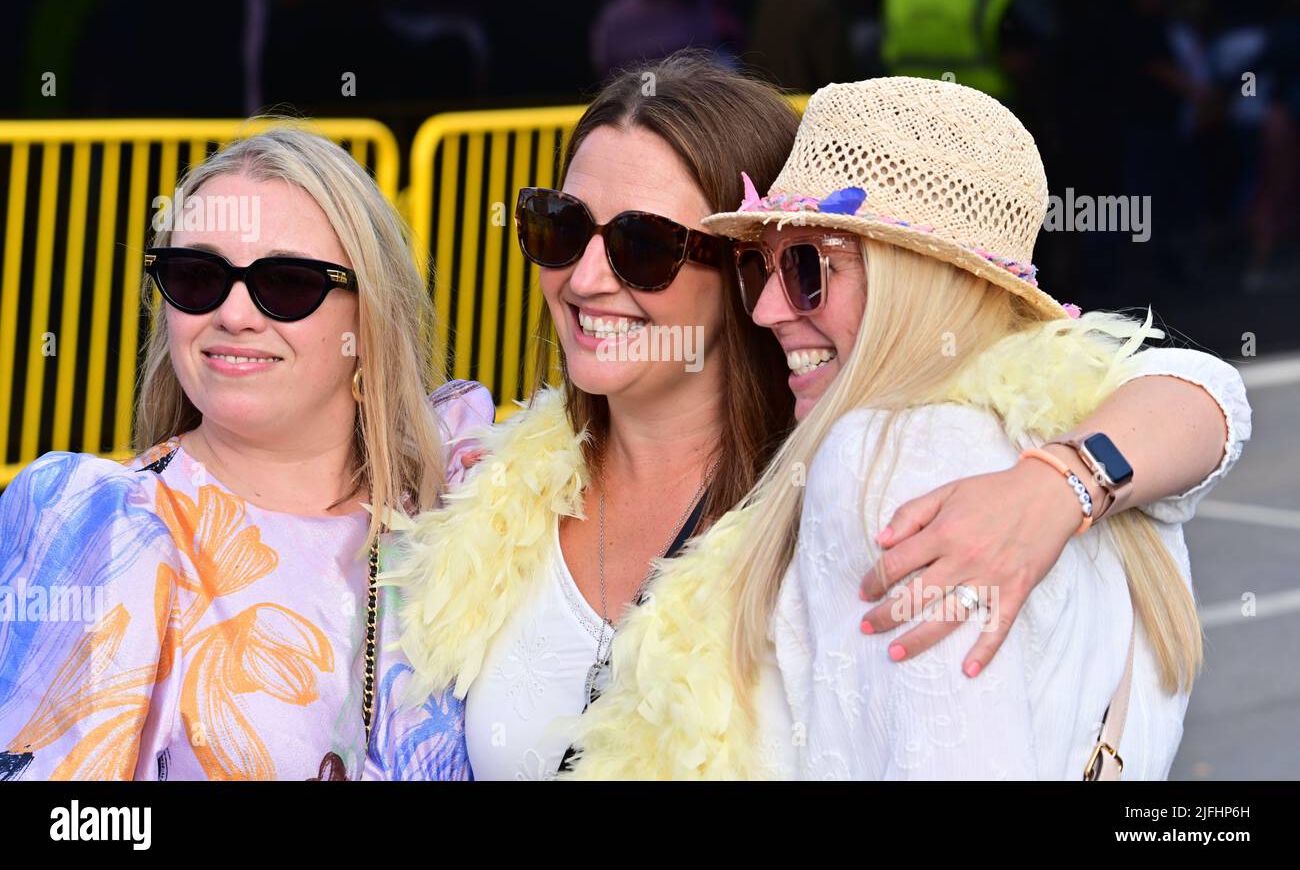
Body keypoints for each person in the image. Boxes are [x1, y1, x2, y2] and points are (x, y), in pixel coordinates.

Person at [386, 56, 1248, 781]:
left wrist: (1064, 482)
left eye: (643, 245)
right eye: (559, 227)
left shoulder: (876, 479)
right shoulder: (487, 485)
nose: (583, 278)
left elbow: (1197, 389)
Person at [0, 125, 492, 780]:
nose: (234, 315)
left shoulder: (467, 496)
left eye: (285, 283)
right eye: (197, 276)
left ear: (370, 316)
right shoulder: (109, 533)